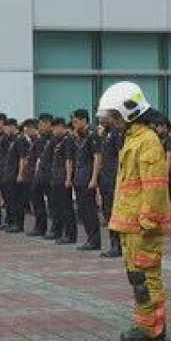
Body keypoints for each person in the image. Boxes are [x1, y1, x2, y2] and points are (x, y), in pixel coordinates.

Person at [97, 81, 171, 341]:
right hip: (131, 225)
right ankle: (146, 323)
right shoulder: (133, 140)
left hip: (142, 225)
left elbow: (154, 185)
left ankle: (153, 327)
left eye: (115, 116)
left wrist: (148, 219)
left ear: (128, 113)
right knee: (137, 276)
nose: (113, 122)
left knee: (147, 277)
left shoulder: (147, 142)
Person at [72, 110, 103, 251]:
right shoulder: (79, 136)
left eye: (76, 121)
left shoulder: (92, 135)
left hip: (88, 178)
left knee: (90, 211)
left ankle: (95, 240)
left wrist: (94, 178)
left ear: (84, 120)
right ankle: (89, 238)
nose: (74, 124)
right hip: (79, 177)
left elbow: (97, 157)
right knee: (83, 210)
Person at [49, 117, 77, 245]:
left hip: (63, 178)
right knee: (58, 207)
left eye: (55, 128)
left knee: (66, 208)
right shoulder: (57, 140)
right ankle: (60, 232)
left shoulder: (68, 140)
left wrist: (68, 178)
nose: (53, 131)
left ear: (61, 126)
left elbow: (69, 160)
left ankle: (70, 235)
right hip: (56, 177)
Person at [99, 118, 124, 257]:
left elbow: (120, 155)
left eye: (104, 116)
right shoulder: (104, 134)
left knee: (115, 212)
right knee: (107, 211)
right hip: (105, 178)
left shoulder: (116, 133)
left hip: (114, 178)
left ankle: (118, 245)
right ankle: (113, 243)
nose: (101, 119)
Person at [0, 118, 29, 233]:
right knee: (9, 201)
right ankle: (10, 222)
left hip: (15, 175)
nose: (5, 130)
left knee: (17, 202)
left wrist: (20, 174)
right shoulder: (9, 140)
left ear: (12, 126)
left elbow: (23, 158)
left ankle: (18, 224)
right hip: (8, 174)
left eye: (6, 127)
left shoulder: (20, 140)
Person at [29, 114, 54, 238]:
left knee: (53, 203)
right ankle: (40, 227)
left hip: (50, 175)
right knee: (37, 201)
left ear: (48, 124)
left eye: (42, 124)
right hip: (38, 175)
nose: (40, 127)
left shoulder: (54, 139)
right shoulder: (39, 139)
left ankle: (55, 229)